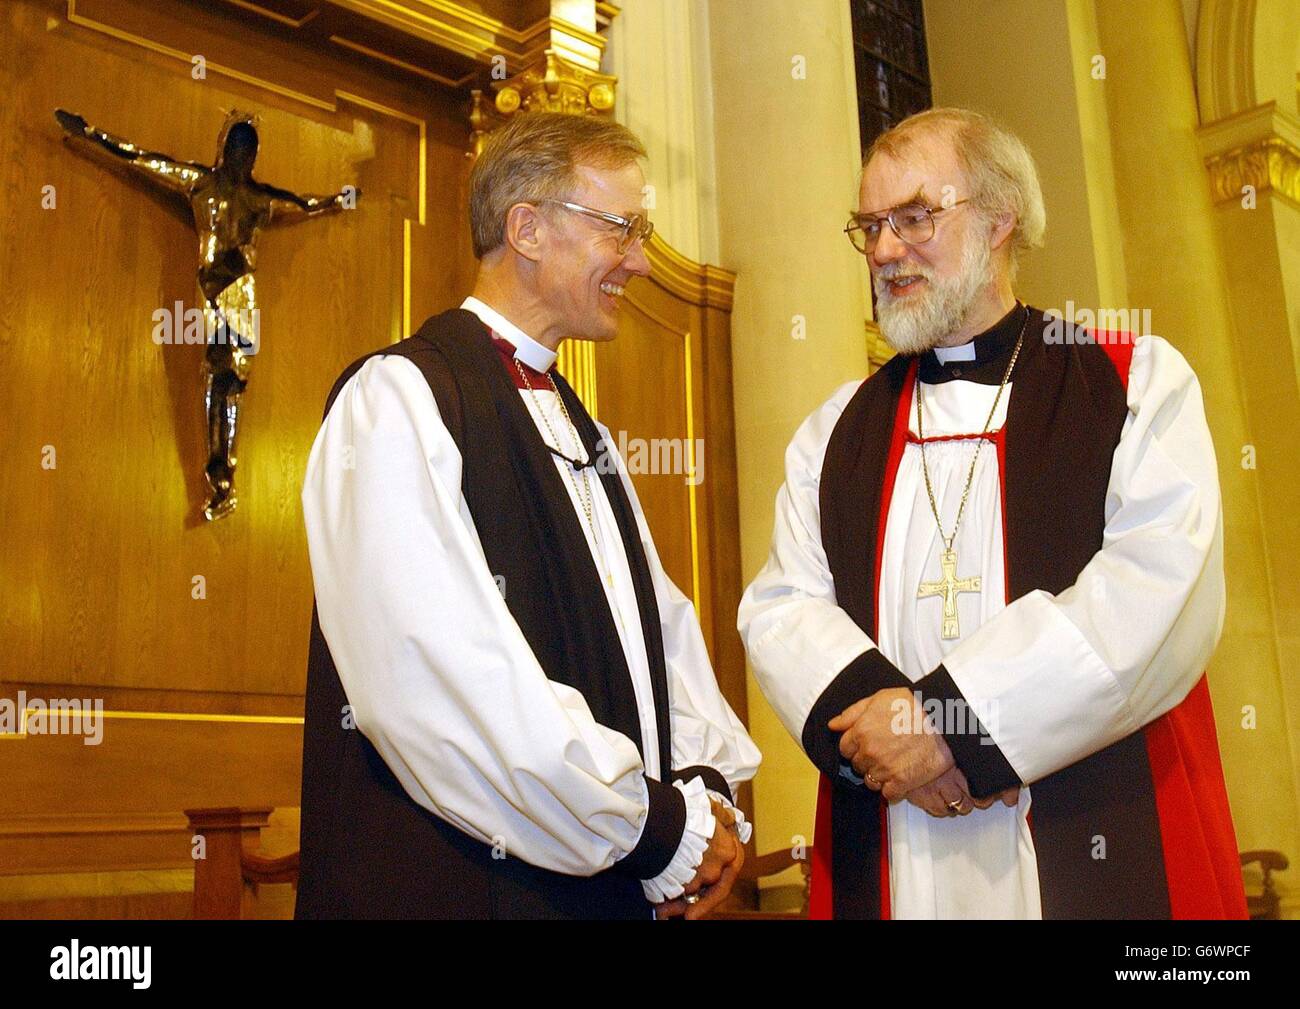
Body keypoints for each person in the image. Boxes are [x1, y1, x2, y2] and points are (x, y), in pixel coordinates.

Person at [738, 107, 1245, 919]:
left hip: (1084, 819)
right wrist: (898, 732)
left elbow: (1158, 587)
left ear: (1001, 219)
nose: (883, 251)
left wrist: (949, 725)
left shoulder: (1130, 380)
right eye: (868, 227)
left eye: (913, 218)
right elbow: (783, 603)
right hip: (898, 832)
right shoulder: (836, 430)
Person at [297, 111, 759, 920]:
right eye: (621, 228)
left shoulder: (583, 427)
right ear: (528, 229)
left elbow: (657, 631)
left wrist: (702, 790)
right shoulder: (400, 397)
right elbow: (434, 671)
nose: (641, 261)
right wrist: (650, 825)